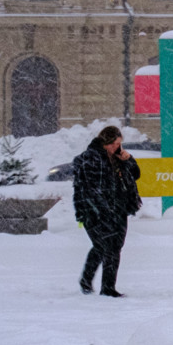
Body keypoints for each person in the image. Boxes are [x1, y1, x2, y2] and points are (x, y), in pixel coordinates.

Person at [71, 126, 141, 297]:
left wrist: (129, 160)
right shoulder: (90, 159)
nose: (116, 147)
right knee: (109, 247)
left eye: (119, 144)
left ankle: (86, 280)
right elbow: (90, 188)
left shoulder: (118, 157)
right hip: (94, 210)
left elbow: (135, 175)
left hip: (119, 207)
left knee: (108, 246)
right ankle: (108, 288)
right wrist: (103, 209)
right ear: (105, 142)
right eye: (114, 144)